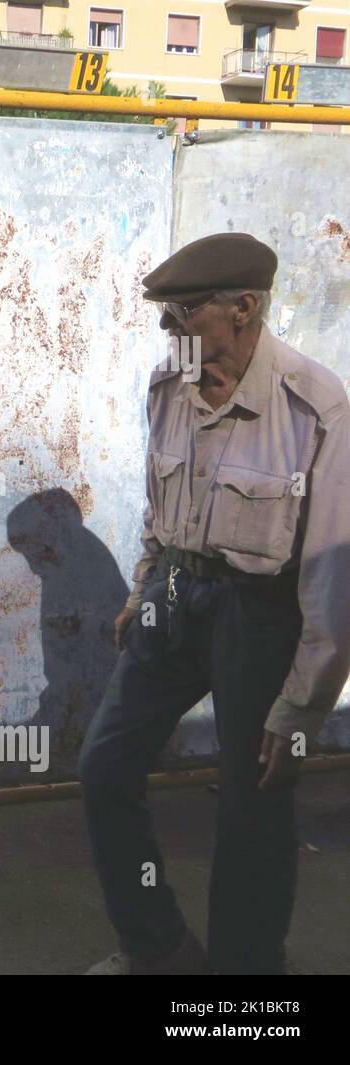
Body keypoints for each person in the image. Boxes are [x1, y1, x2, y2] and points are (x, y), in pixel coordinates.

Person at [79, 231, 350, 975]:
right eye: (164, 316)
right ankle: (160, 951)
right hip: (174, 593)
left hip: (260, 617)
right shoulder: (169, 388)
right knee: (104, 766)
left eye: (183, 313)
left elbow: (332, 576)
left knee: (252, 804)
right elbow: (158, 507)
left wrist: (301, 707)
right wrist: (142, 590)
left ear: (244, 308)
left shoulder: (316, 409)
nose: (169, 331)